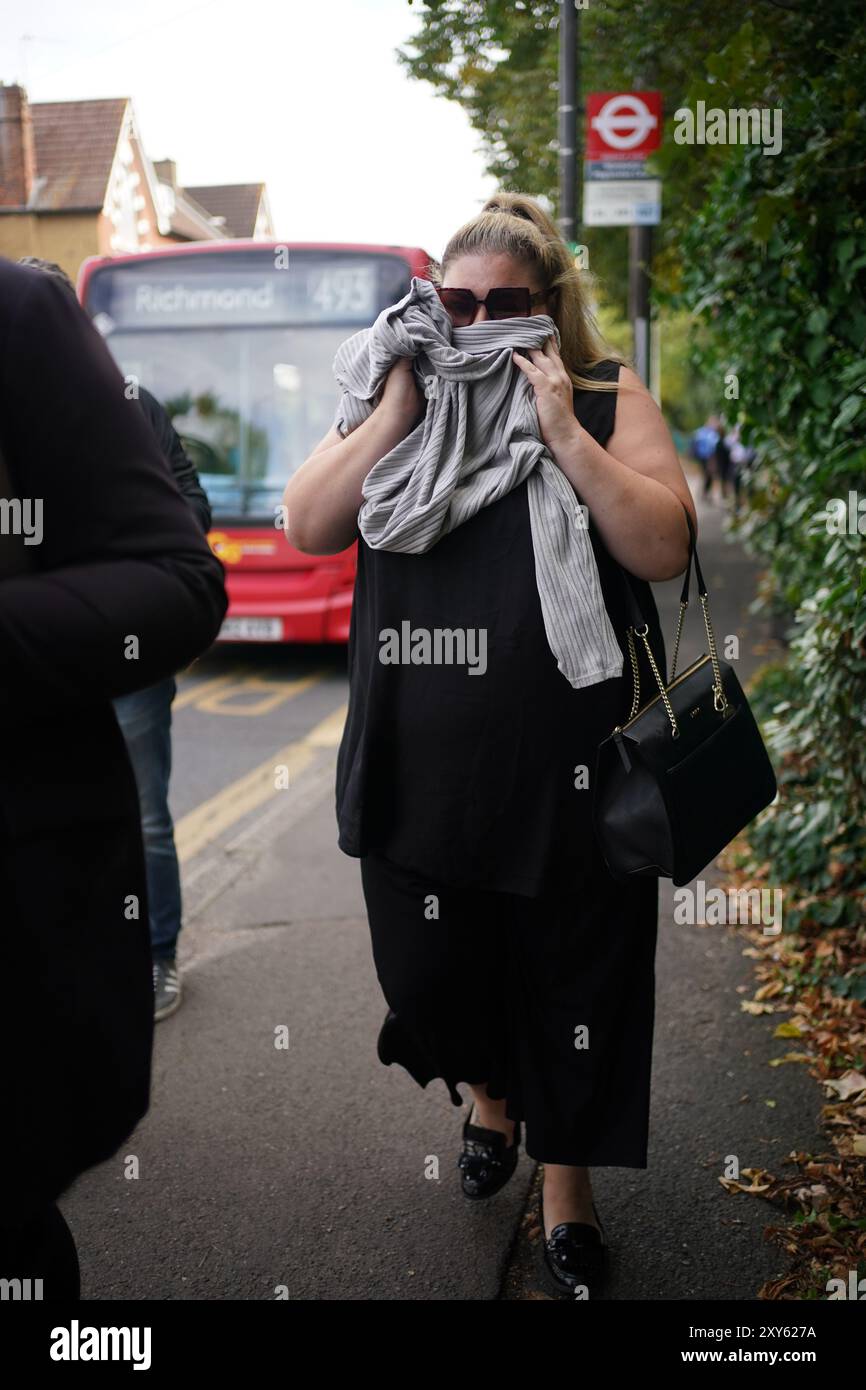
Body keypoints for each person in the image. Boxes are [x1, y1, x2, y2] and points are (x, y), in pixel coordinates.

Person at [283, 192, 696, 1297]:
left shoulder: (605, 398)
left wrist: (563, 433)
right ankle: (487, 1101)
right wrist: (388, 418)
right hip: (419, 771)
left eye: (498, 304)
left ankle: (565, 1190)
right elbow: (307, 521)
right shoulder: (397, 397)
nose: (470, 320)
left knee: (577, 984)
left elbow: (660, 545)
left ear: (549, 308)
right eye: (450, 302)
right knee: (430, 975)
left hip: (574, 776)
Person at [0, 256, 227, 1297]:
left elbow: (175, 541)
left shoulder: (82, 367)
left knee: (146, 816)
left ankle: (161, 953)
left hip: (93, 674)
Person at [18, 257, 213, 1022]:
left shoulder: (130, 405)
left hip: (120, 650)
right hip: (34, 656)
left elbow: (188, 507)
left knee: (143, 815)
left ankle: (157, 956)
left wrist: (119, 566)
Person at [689, 414, 721, 497]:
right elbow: (695, 443)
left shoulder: (713, 433)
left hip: (710, 457)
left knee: (708, 475)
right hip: (703, 457)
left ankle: (704, 492)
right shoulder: (702, 432)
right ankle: (704, 492)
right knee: (706, 474)